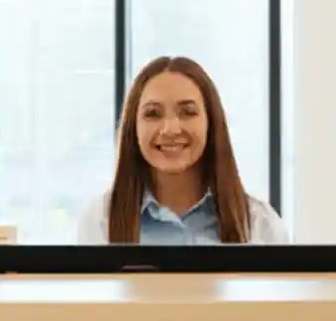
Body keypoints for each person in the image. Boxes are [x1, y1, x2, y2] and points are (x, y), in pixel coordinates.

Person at [77, 56, 288, 245]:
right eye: (153, 114)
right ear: (134, 128)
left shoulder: (261, 225)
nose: (170, 129)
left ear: (211, 123)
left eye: (187, 112)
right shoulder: (99, 222)